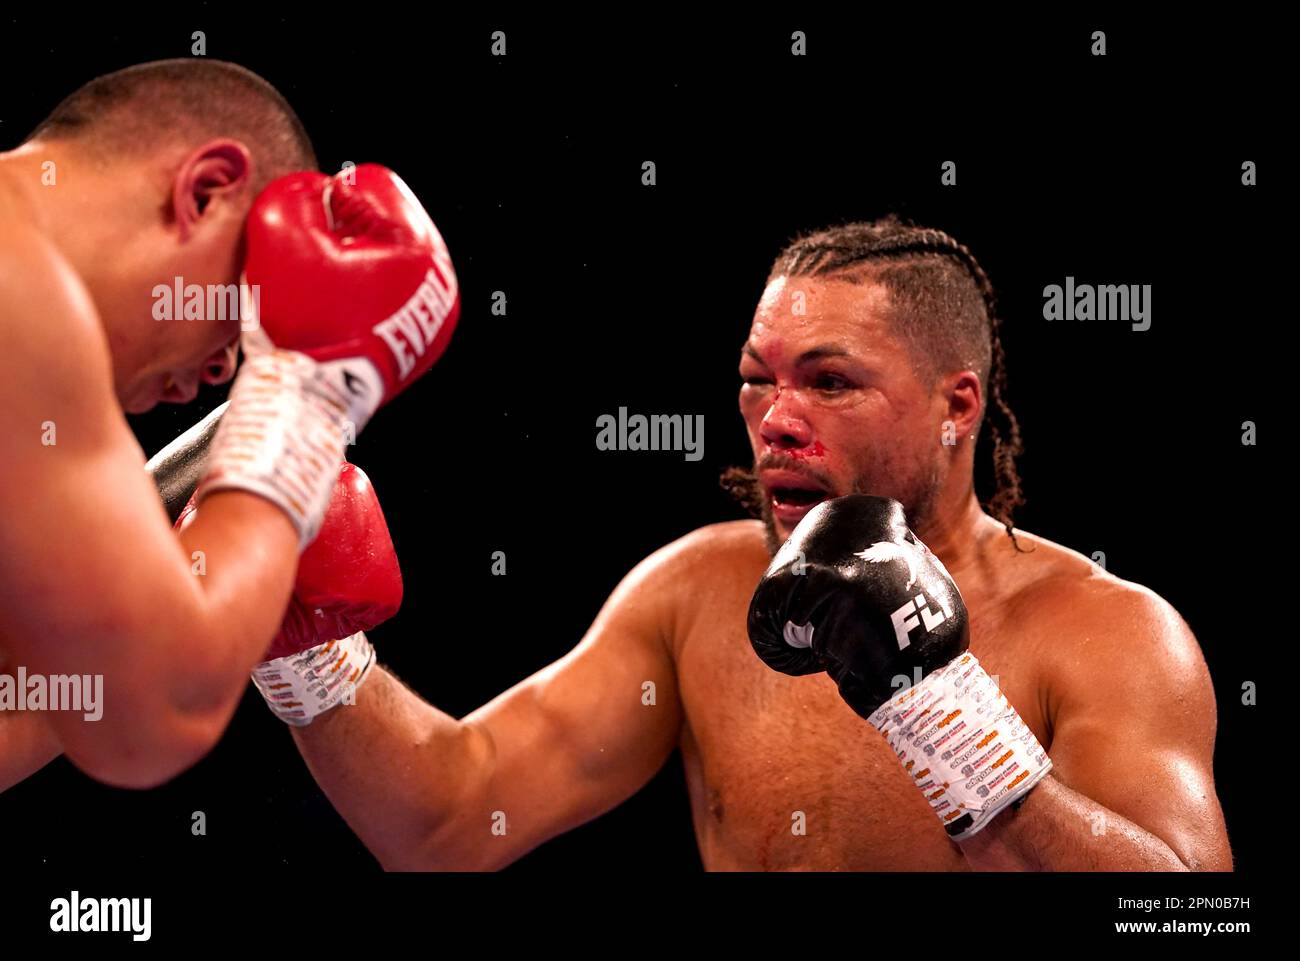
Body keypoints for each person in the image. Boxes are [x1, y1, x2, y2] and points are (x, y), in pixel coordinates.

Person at [264, 217, 1230, 870]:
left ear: (957, 406)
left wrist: (946, 717)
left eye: (830, 381)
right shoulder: (695, 595)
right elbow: (449, 818)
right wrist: (305, 646)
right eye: (757, 379)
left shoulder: (1109, 632)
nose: (776, 419)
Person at [0, 58, 458, 790]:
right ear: (206, 190)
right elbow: (151, 720)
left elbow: (94, 699)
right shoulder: (22, 290)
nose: (229, 367)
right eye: (250, 305)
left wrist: (145, 628)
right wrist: (305, 398)